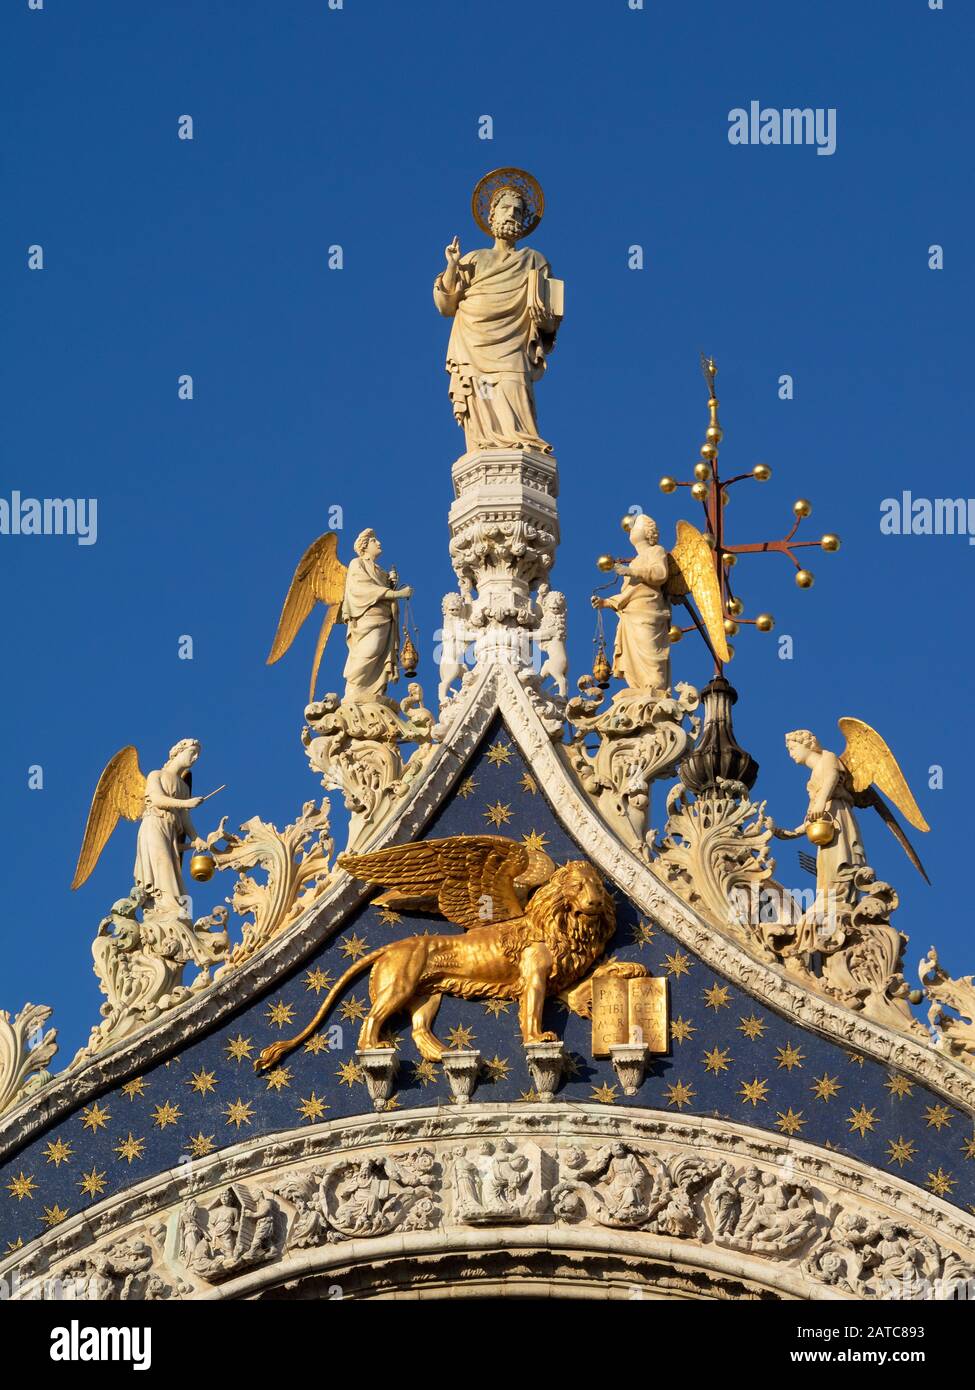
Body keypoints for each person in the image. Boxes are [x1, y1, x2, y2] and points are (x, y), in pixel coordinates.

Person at [592, 514, 671, 694]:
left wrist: (632, 571)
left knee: (650, 652)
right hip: (631, 613)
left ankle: (655, 687)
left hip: (648, 611)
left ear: (646, 531)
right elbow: (628, 595)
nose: (631, 529)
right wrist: (605, 602)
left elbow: (660, 574)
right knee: (634, 655)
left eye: (635, 526)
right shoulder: (635, 561)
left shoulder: (656, 551)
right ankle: (639, 687)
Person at [340, 529, 412, 703]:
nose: (379, 543)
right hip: (368, 619)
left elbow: (379, 589)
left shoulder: (380, 570)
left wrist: (390, 584)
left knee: (379, 655)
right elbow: (362, 589)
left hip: (385, 618)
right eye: (374, 541)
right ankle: (354, 689)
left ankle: (374, 692)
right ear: (365, 546)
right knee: (368, 651)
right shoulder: (357, 564)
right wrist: (396, 594)